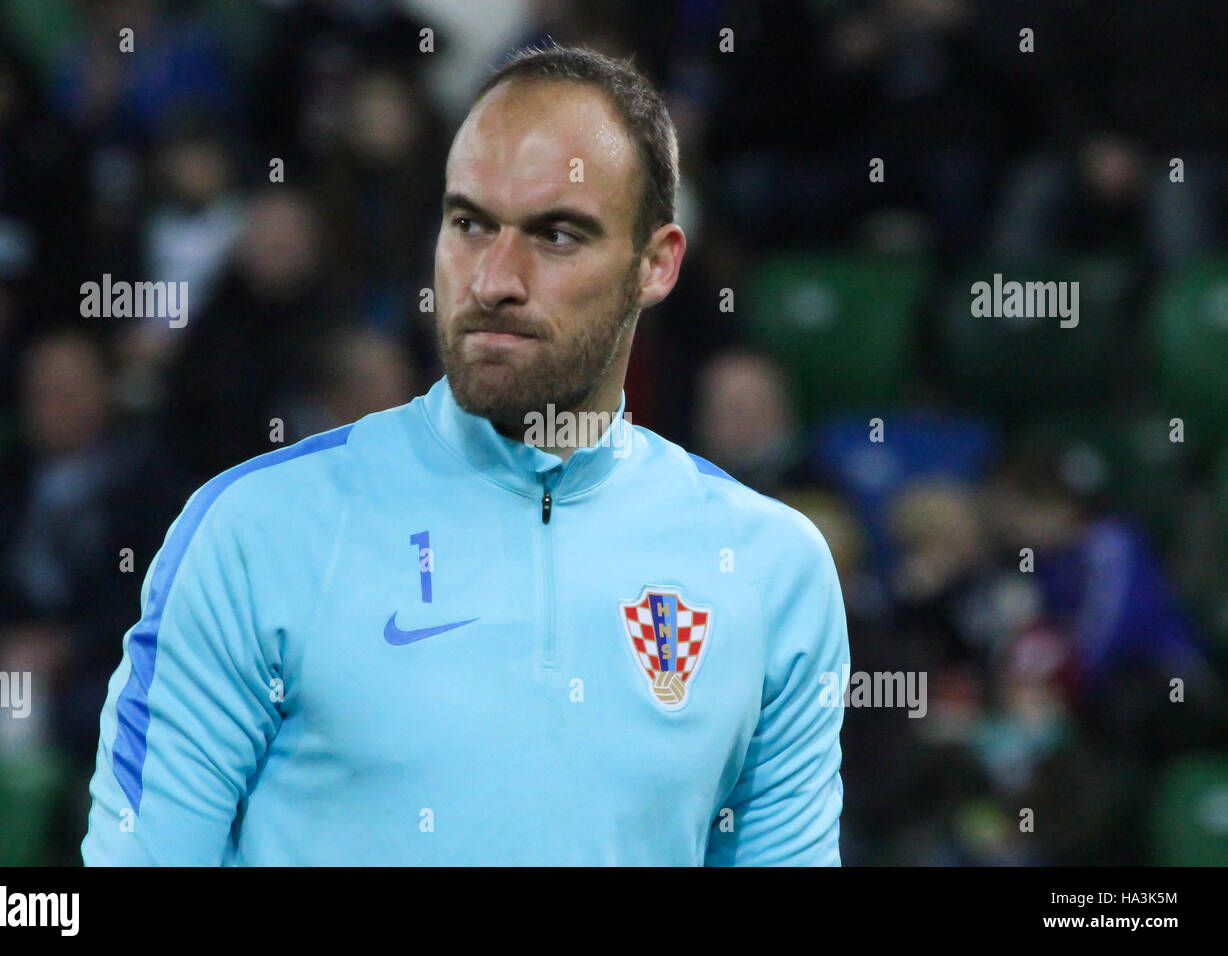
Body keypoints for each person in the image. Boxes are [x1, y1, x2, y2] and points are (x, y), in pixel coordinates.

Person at [82, 44, 849, 866]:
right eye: (470, 224)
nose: (494, 279)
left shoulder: (769, 571)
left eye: (557, 234)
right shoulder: (255, 532)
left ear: (656, 265)